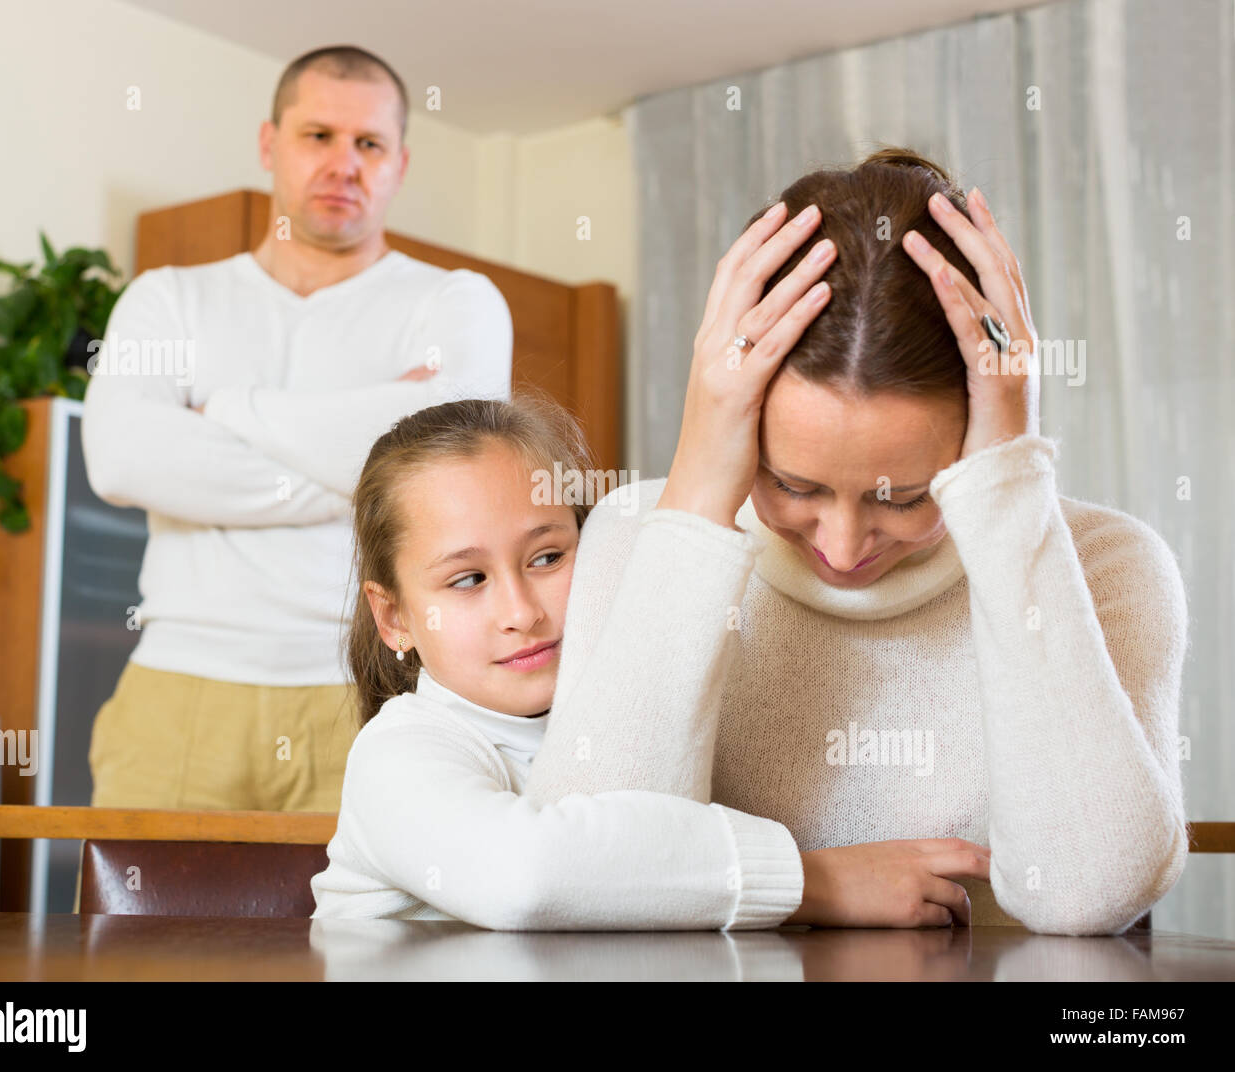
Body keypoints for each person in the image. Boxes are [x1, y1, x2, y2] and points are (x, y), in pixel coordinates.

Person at [524, 148, 1189, 936]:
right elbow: (585, 873)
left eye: (903, 498)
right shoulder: (644, 538)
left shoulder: (1106, 563)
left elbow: (1089, 894)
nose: (842, 549)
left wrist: (1010, 496)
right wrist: (699, 487)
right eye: (794, 486)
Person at [311, 394, 935, 928]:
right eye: (469, 579)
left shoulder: (629, 713)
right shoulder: (397, 753)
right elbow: (526, 878)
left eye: (548, 557)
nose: (522, 611)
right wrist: (814, 882)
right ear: (394, 618)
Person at [81, 45, 513, 816]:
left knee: (365, 942)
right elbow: (119, 458)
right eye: (318, 136)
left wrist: (229, 410)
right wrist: (372, 457)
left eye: (369, 144)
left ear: (400, 163)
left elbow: (451, 480)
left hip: (372, 694)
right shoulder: (168, 300)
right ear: (268, 143)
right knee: (135, 938)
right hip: (179, 689)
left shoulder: (457, 303)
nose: (344, 163)